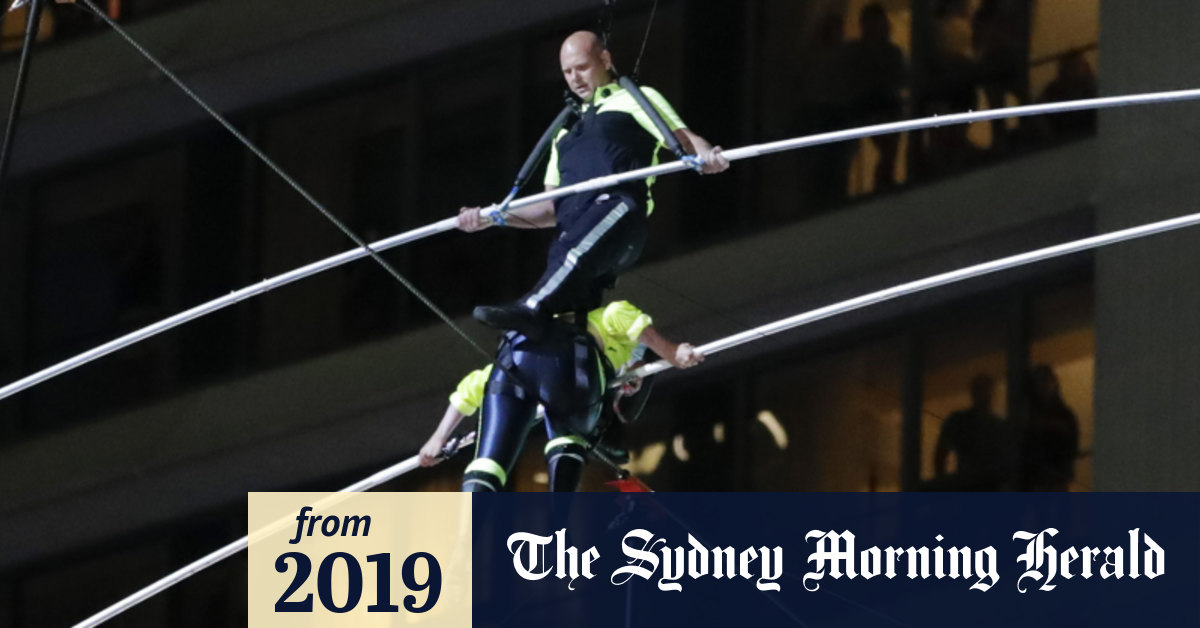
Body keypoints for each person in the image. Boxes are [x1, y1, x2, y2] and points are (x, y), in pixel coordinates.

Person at [456, 31, 729, 340]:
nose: (575, 79)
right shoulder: (564, 133)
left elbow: (686, 140)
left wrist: (708, 155)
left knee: (564, 265)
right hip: (575, 237)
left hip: (620, 216)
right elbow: (551, 208)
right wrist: (493, 218)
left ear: (606, 60)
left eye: (582, 67)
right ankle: (614, 371)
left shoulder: (636, 99)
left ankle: (532, 305)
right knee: (559, 329)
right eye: (567, 72)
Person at [418, 300, 703, 492]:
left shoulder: (620, 361)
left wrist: (439, 438)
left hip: (568, 380)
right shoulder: (611, 319)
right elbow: (471, 389)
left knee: (590, 430)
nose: (632, 385)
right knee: (564, 434)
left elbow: (474, 387)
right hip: (561, 364)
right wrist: (438, 438)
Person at [933, 374, 1010, 490]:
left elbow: (941, 454)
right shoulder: (959, 421)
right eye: (980, 389)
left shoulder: (998, 426)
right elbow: (940, 454)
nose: (984, 395)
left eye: (985, 390)